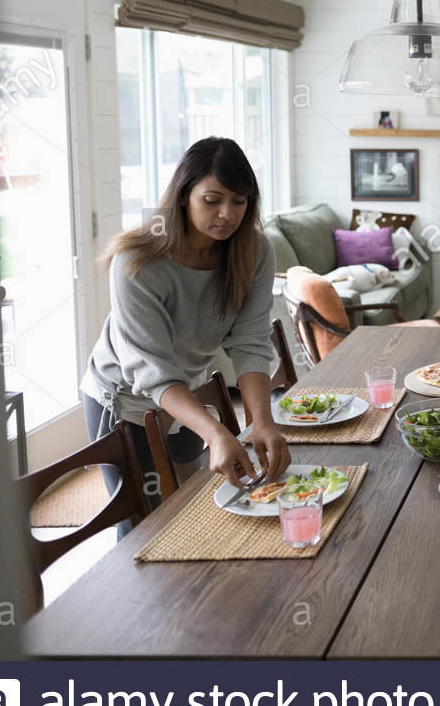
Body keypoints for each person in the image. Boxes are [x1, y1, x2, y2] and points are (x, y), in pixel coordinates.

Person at [80, 137, 291, 531]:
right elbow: (153, 372)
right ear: (182, 196)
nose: (227, 214)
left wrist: (262, 421)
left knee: (196, 514)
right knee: (145, 529)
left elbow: (249, 341)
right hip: (126, 401)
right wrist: (215, 432)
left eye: (239, 201)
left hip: (187, 390)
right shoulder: (137, 263)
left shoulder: (254, 251)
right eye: (212, 200)